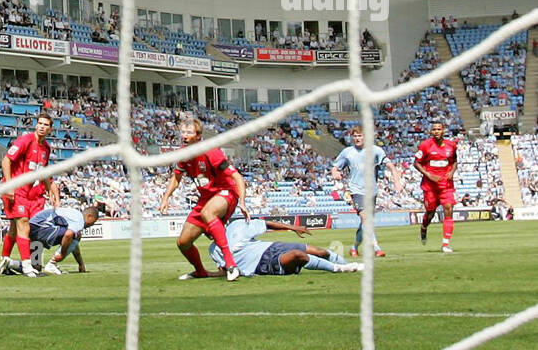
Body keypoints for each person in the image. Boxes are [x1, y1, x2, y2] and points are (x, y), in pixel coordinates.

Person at [158, 117, 248, 281]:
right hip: (206, 198)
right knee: (183, 242)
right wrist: (165, 198)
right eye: (183, 132)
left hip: (226, 192)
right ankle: (200, 271)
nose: (185, 135)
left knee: (208, 212)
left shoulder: (210, 151)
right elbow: (176, 177)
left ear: (198, 136)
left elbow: (236, 177)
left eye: (189, 132)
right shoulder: (183, 154)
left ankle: (231, 264)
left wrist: (242, 202)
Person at [0, 113, 59, 278]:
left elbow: (44, 172)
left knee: (17, 230)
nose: (42, 126)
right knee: (24, 225)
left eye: (45, 124)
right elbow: (6, 160)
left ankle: (5, 261)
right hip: (17, 189)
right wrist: (8, 185)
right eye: (39, 123)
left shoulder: (46, 148)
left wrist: (52, 189)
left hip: (32, 193)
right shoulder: (25, 140)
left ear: (50, 128)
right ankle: (28, 266)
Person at [200, 216, 364, 278]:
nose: (210, 233)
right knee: (298, 255)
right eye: (207, 232)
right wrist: (207, 274)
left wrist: (293, 228)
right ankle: (338, 269)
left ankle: (346, 263)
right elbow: (225, 269)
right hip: (260, 263)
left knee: (319, 251)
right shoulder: (214, 250)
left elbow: (266, 224)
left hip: (272, 246)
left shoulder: (236, 226)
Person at [331, 125, 403, 258]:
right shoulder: (347, 152)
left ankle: (354, 247)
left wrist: (397, 181)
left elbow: (390, 165)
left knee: (365, 223)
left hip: (372, 191)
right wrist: (335, 172)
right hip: (356, 190)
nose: (357, 138)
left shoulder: (376, 151)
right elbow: (335, 167)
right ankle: (377, 248)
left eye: (360, 136)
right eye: (355, 136)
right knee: (366, 219)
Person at [413, 118, 457, 253]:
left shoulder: (451, 145)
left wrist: (452, 171)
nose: (437, 131)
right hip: (430, 186)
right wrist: (428, 174)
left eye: (439, 129)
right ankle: (424, 227)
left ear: (443, 130)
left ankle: (445, 244)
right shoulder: (425, 145)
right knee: (430, 213)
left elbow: (454, 161)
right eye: (434, 129)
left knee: (448, 208)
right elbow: (416, 163)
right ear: (431, 131)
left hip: (446, 185)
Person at [26, 205, 98, 275]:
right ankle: (52, 264)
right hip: (41, 228)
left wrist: (81, 264)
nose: (92, 224)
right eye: (93, 222)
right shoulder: (80, 220)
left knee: (36, 268)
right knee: (76, 235)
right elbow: (68, 235)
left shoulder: (74, 214)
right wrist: (62, 254)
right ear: (89, 216)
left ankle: (15, 264)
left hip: (33, 229)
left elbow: (72, 242)